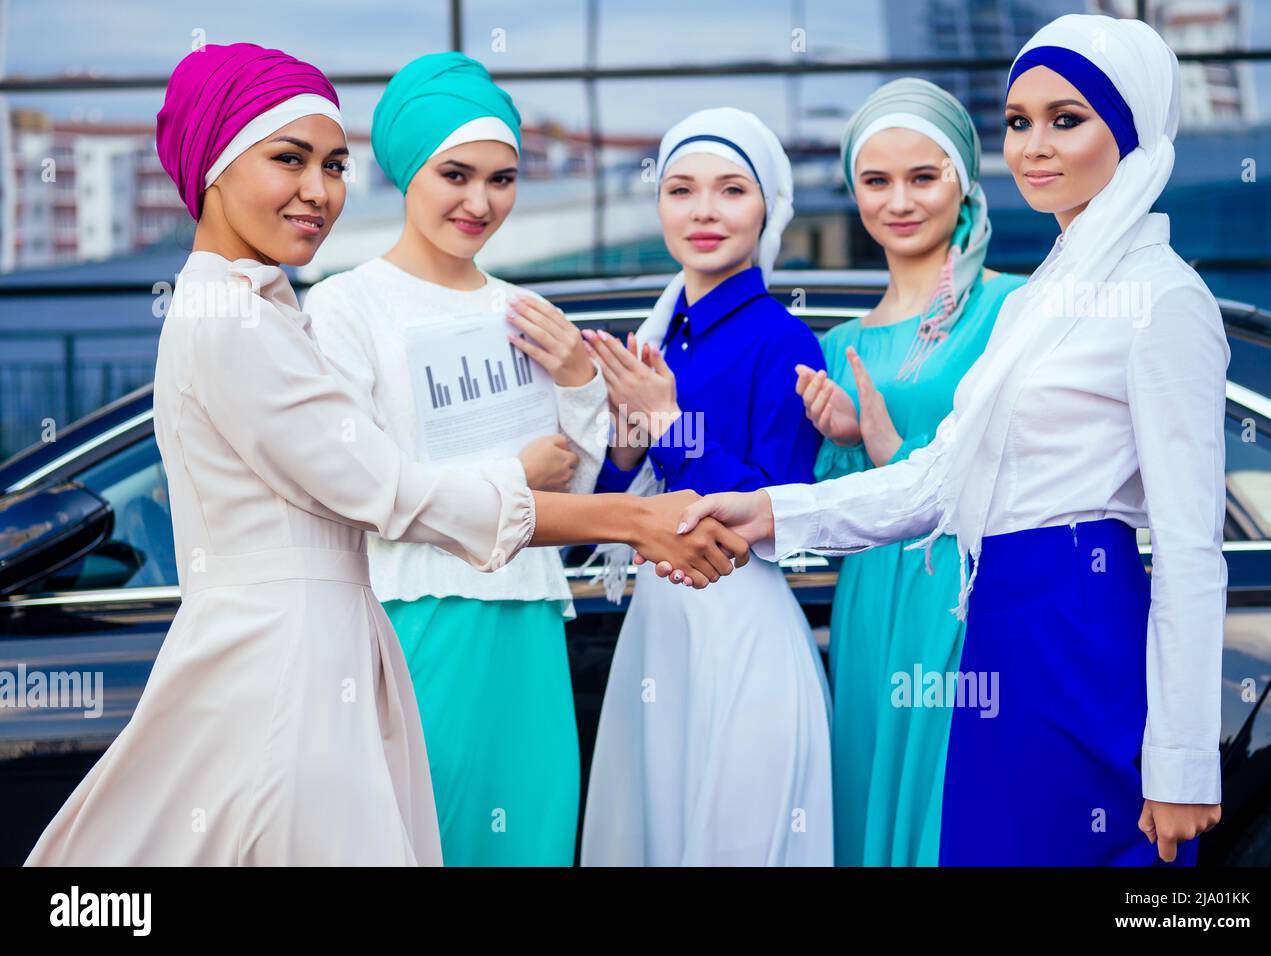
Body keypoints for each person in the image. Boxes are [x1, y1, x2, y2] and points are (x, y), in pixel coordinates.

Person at [24, 43, 747, 867]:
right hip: (291, 666)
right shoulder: (242, 316)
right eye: (288, 159)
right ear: (215, 165)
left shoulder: (256, 308)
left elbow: (394, 485)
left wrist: (592, 412)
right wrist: (628, 516)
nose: (319, 190)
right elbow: (389, 491)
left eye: (333, 165)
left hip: (331, 652)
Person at [667, 14, 1227, 866]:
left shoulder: (1162, 296)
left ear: (1134, 129)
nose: (1034, 146)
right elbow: (937, 481)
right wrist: (769, 512)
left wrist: (1183, 763)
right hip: (995, 616)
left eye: (1066, 119)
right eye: (1017, 122)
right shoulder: (1046, 295)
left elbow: (1192, 545)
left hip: (1079, 616)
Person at [303, 52, 603, 867]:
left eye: (502, 179)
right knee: (423, 840)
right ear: (406, 169)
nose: (480, 202)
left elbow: (572, 494)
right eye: (456, 174)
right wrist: (512, 480)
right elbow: (353, 489)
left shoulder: (525, 310)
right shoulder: (342, 308)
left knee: (531, 841)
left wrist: (580, 381)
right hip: (414, 620)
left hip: (530, 618)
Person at [578, 107, 833, 866]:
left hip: (737, 618)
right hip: (660, 624)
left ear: (768, 210)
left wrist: (669, 425)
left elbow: (774, 509)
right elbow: (610, 513)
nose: (704, 212)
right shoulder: (659, 339)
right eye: (681, 190)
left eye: (731, 190)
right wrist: (627, 445)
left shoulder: (783, 338)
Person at [797, 78, 1025, 866]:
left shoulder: (1014, 310)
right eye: (876, 180)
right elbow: (829, 515)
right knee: (872, 793)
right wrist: (848, 441)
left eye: (922, 177)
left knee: (952, 809)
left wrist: (890, 445)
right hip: (870, 604)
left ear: (963, 180)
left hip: (966, 596)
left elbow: (1025, 471)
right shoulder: (837, 346)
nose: (899, 201)